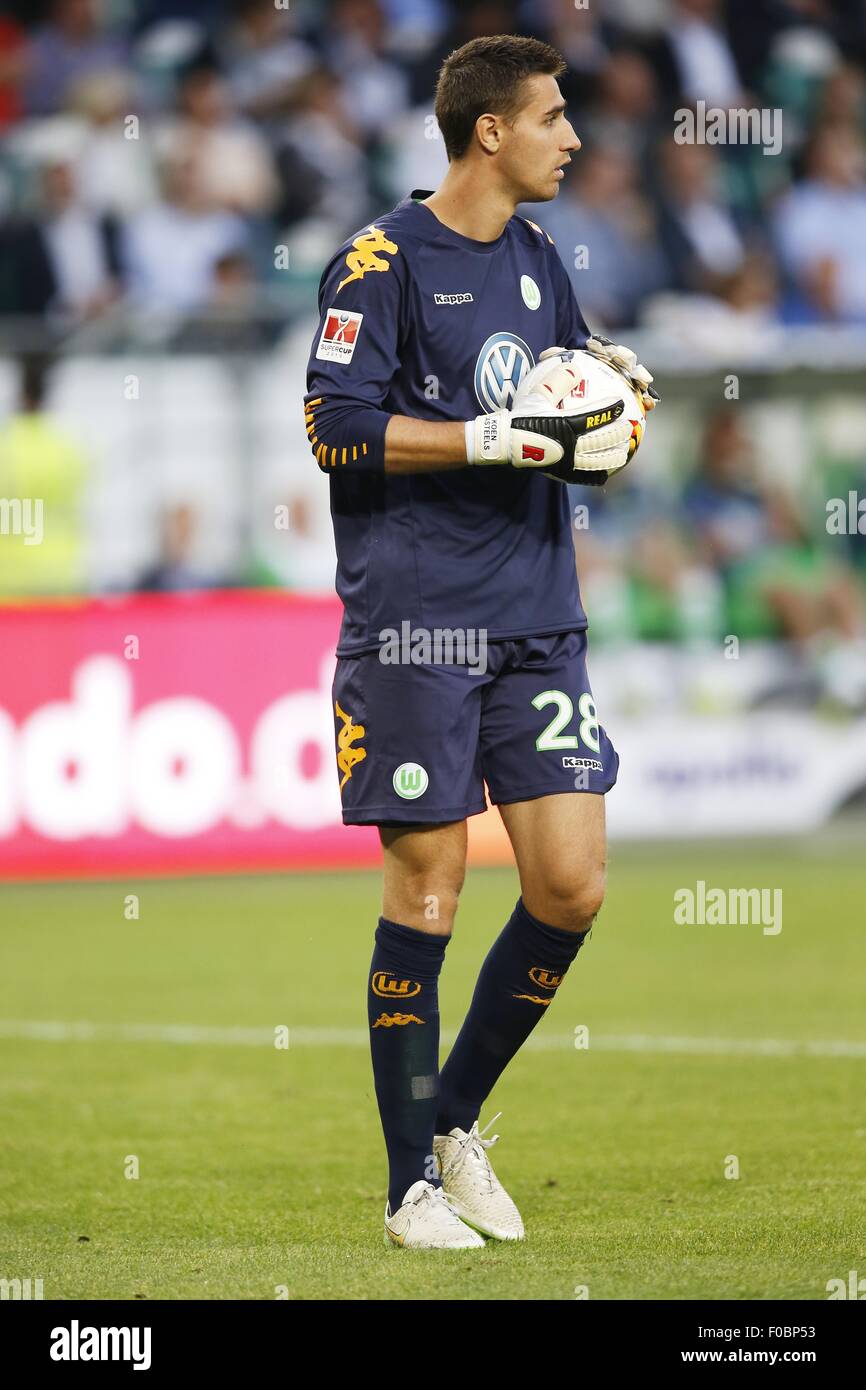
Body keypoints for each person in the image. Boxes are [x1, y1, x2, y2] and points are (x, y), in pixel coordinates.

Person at [304, 34, 657, 1250]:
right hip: (417, 623)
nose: (572, 136)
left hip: (537, 615)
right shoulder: (378, 262)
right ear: (489, 131)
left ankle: (450, 1119)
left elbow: (555, 406)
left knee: (569, 884)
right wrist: (489, 439)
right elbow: (334, 426)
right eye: (553, 116)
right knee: (429, 888)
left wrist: (603, 410)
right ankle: (407, 1188)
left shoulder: (539, 255)